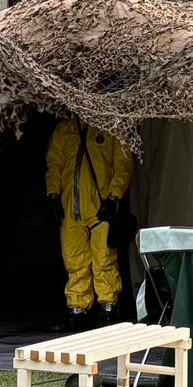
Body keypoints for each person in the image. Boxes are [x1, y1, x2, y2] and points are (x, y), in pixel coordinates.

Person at [46, 116, 133, 328]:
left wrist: (114, 196)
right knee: (74, 259)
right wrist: (54, 195)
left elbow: (123, 163)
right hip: (70, 208)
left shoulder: (110, 127)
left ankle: (108, 306)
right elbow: (54, 164)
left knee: (104, 258)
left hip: (101, 208)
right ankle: (78, 309)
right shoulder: (64, 129)